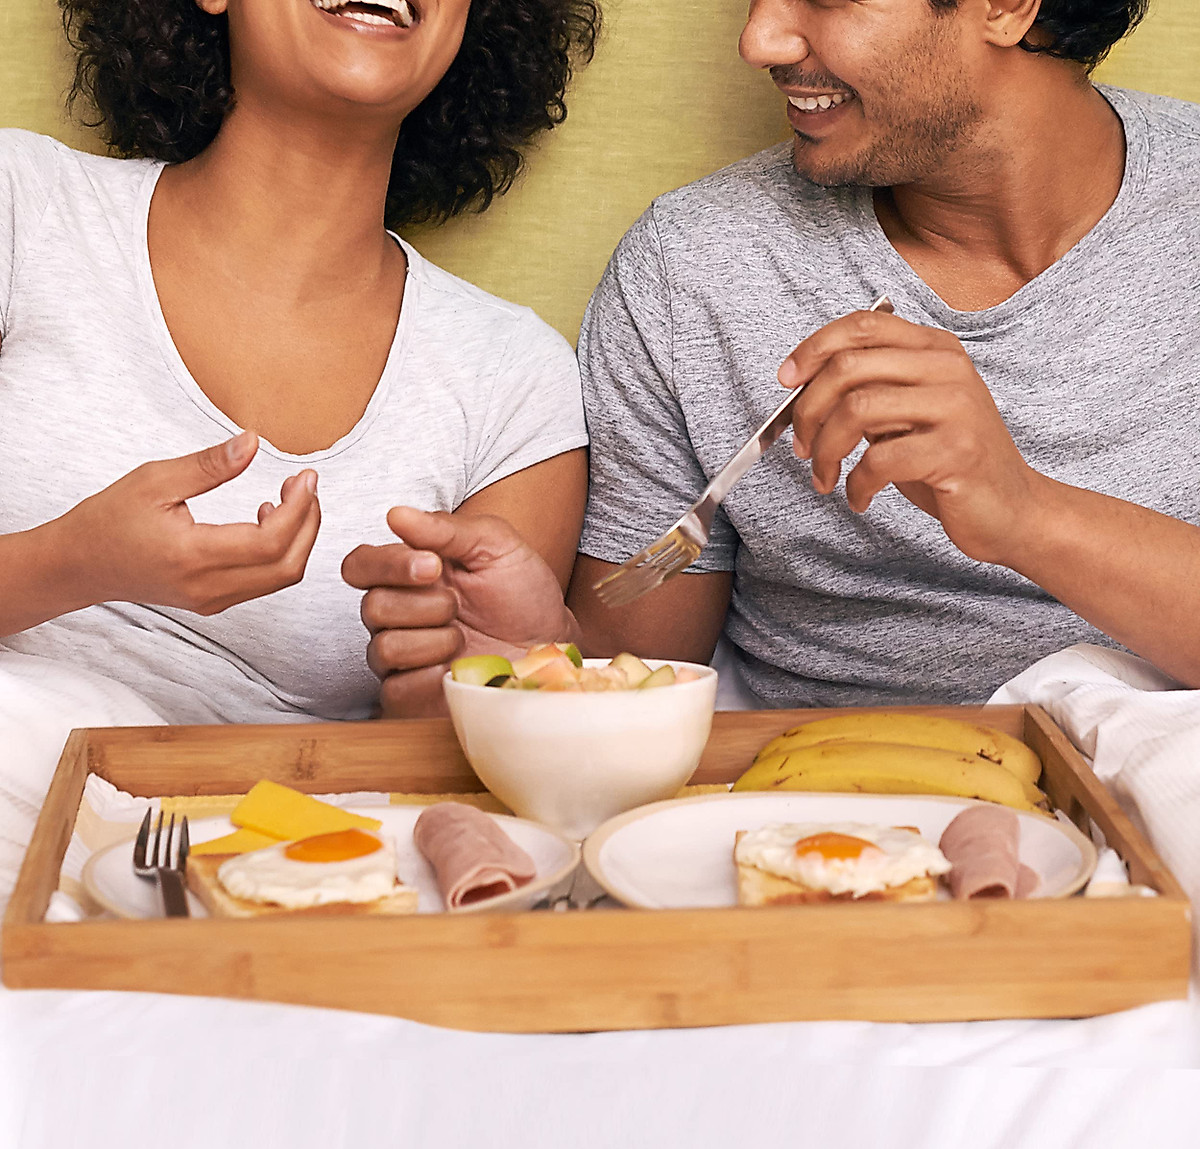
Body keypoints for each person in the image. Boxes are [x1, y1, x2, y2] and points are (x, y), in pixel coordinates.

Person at [360, 0, 1200, 717]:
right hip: (805, 822)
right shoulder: (693, 266)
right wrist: (537, 662)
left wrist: (1025, 514)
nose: (760, 40)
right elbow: (643, 671)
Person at [0, 0, 600, 722]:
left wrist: (500, 691)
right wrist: (70, 562)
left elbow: (465, 779)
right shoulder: (22, 205)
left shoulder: (516, 380)